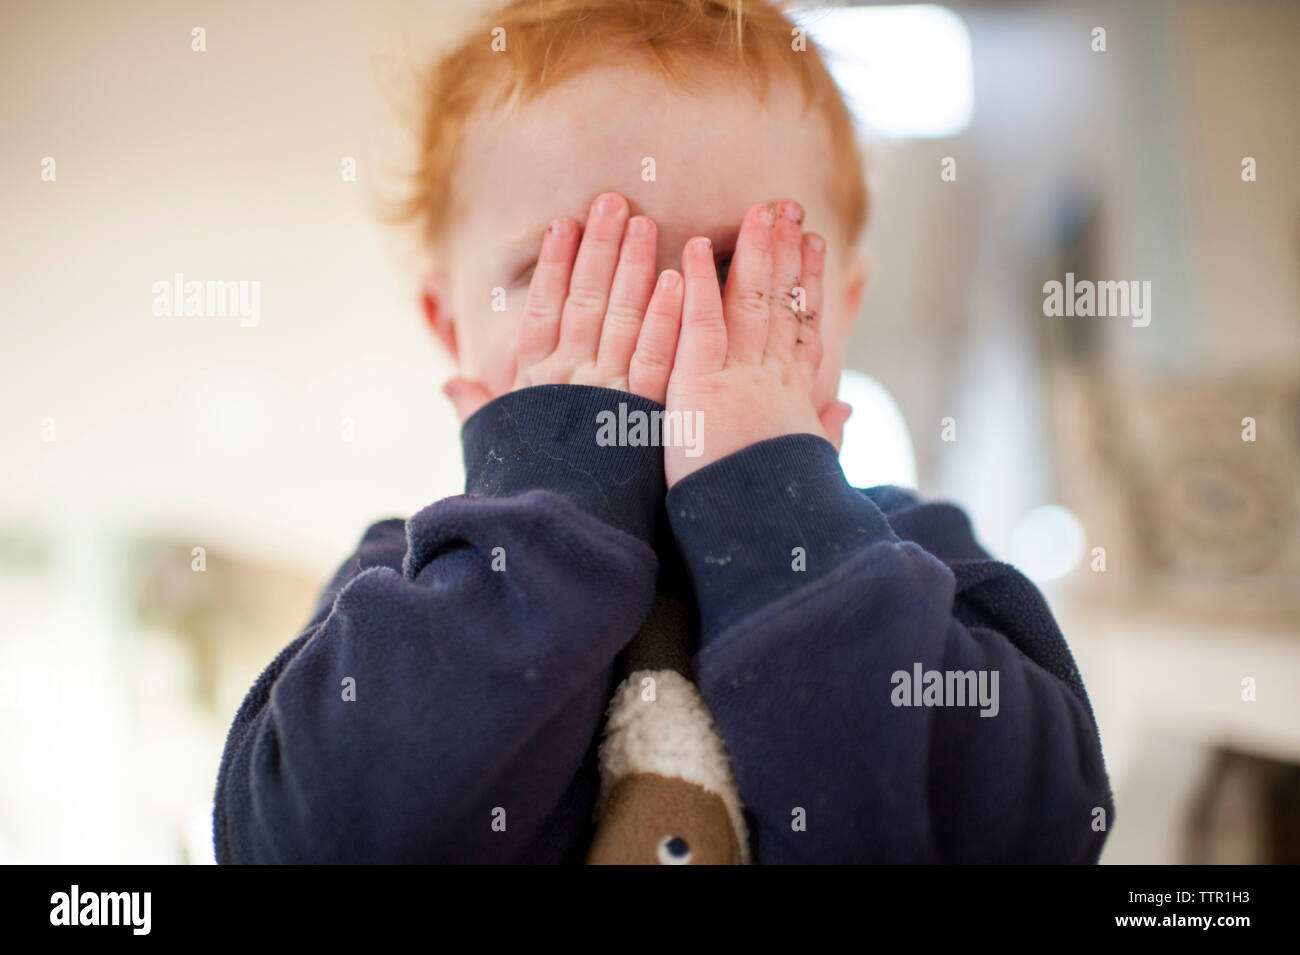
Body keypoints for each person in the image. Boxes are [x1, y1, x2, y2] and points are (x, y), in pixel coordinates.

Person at [214, 0, 1113, 864]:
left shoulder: (922, 564)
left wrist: (777, 510)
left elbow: (1036, 830)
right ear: (455, 333)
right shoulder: (403, 590)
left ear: (840, 310)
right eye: (577, 278)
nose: (675, 324)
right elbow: (302, 841)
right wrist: (548, 512)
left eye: (738, 269)